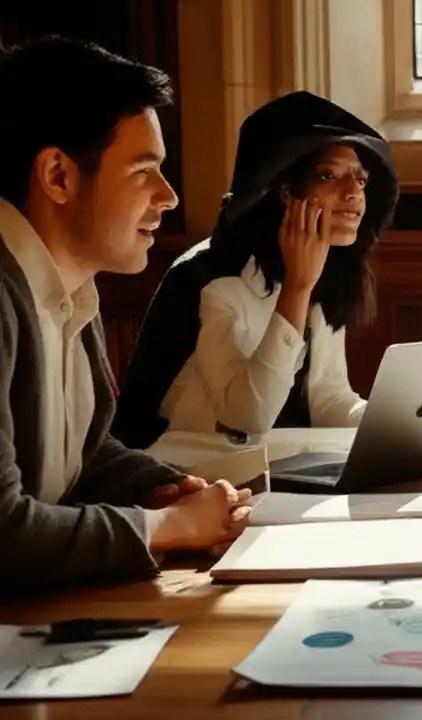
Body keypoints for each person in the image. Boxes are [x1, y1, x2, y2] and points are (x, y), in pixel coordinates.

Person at [0, 37, 250, 594]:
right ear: (58, 176)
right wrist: (169, 527)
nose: (169, 197)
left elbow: (79, 453)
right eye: (144, 171)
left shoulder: (69, 284)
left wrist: (167, 489)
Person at [113, 91, 398, 448]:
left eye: (360, 179)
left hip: (277, 468)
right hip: (184, 473)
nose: (353, 192)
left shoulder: (325, 271)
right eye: (328, 175)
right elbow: (248, 417)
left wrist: (401, 424)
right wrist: (297, 288)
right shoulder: (211, 279)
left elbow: (328, 400)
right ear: (285, 192)